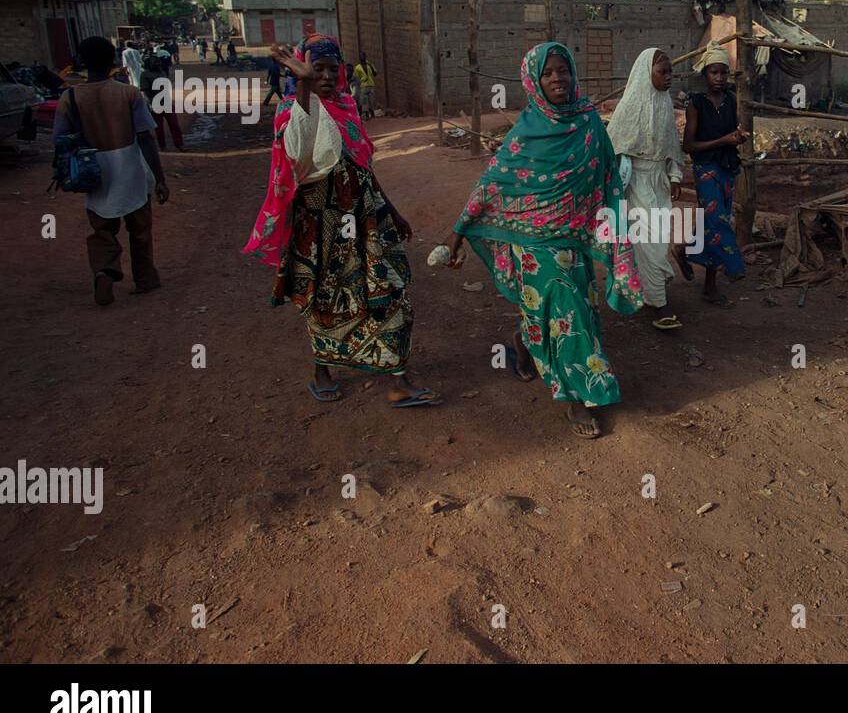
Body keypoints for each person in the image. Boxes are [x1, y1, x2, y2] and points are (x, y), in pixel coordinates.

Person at [446, 42, 642, 439]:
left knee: (572, 311)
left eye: (562, 70)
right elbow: (492, 185)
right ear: (534, 81)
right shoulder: (526, 132)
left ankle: (523, 341)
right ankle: (575, 398)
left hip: (574, 237)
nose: (557, 79)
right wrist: (457, 232)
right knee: (569, 314)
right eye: (548, 73)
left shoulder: (588, 122)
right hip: (533, 245)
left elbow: (607, 178)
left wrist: (615, 231)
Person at [242, 34, 438, 408]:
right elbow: (298, 152)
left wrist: (393, 212)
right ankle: (322, 370)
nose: (328, 76)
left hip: (366, 220)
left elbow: (363, 167)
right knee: (324, 298)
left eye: (334, 69)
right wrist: (302, 84)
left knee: (389, 293)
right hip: (319, 226)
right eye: (318, 69)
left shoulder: (348, 107)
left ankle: (399, 379)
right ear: (303, 69)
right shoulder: (290, 109)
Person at [53, 36, 169, 306]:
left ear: (81, 62)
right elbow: (146, 137)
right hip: (130, 166)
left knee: (102, 228)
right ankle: (145, 278)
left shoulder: (69, 97)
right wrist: (160, 179)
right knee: (139, 228)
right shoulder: (128, 94)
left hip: (93, 170)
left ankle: (105, 270)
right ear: (114, 62)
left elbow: (60, 139)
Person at [606, 46, 685, 330]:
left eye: (670, 73)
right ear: (645, 73)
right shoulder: (630, 106)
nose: (668, 78)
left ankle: (644, 289)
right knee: (649, 242)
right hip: (637, 181)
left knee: (657, 239)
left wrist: (674, 176)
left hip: (659, 182)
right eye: (663, 72)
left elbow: (672, 146)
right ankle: (660, 307)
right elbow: (611, 145)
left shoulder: (665, 104)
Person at [682, 44, 748, 307]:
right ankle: (734, 264)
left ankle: (706, 281)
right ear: (705, 74)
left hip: (728, 167)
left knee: (712, 223)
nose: (719, 78)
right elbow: (689, 145)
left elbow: (734, 135)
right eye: (714, 72)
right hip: (706, 168)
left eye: (723, 73)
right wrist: (724, 140)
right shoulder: (696, 104)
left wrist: (738, 137)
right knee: (718, 220)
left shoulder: (732, 100)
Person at [354, 51, 378, 119]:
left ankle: (371, 112)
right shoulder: (357, 67)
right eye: (361, 56)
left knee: (371, 100)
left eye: (363, 56)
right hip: (363, 86)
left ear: (365, 57)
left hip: (371, 84)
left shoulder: (369, 65)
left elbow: (375, 74)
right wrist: (361, 80)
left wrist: (371, 66)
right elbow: (356, 78)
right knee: (364, 101)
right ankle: (367, 114)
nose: (362, 57)